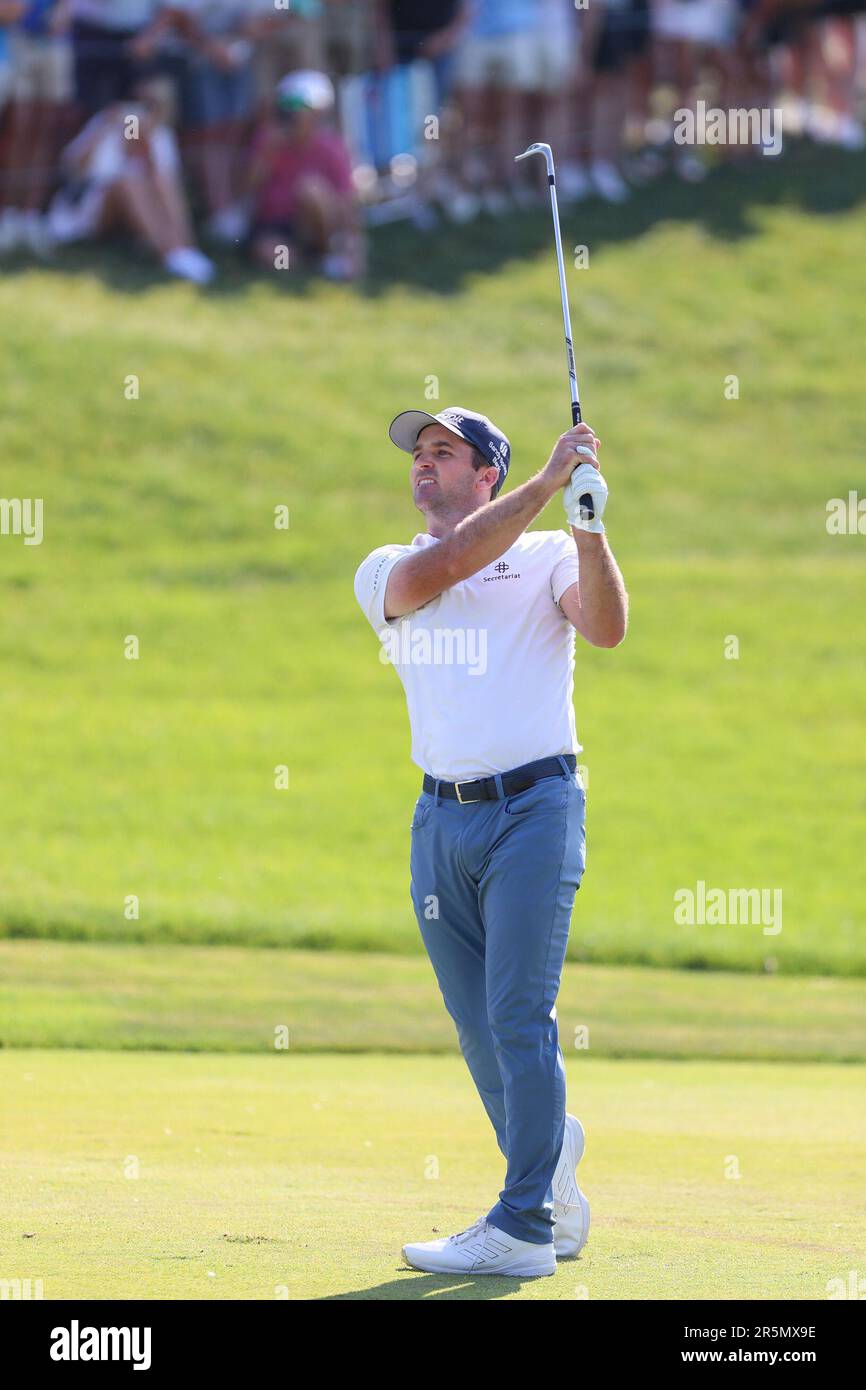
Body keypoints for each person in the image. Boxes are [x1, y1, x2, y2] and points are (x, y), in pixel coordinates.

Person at [353, 406, 628, 1275]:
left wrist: (586, 528)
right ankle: (547, 1166)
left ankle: (522, 1227)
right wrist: (550, 485)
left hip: (535, 810)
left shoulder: (545, 556)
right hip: (439, 818)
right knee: (477, 1029)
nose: (424, 465)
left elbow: (607, 626)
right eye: (419, 454)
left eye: (446, 452)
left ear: (487, 477)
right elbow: (443, 567)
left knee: (517, 1014)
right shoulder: (387, 568)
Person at [47, 73, 215, 281]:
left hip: (131, 211)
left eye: (151, 105)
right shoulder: (106, 123)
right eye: (141, 103)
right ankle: (171, 255)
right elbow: (73, 169)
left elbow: (159, 181)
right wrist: (104, 128)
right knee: (128, 183)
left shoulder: (160, 135)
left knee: (162, 181)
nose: (144, 111)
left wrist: (145, 147)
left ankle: (185, 248)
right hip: (86, 207)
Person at [247, 68, 364, 280]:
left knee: (310, 189)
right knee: (276, 259)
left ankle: (329, 254)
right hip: (277, 228)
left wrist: (353, 246)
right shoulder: (268, 140)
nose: (291, 116)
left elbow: (347, 201)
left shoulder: (332, 146)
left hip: (315, 228)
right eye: (287, 108)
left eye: (298, 109)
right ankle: (311, 265)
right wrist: (268, 152)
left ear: (317, 113)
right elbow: (249, 188)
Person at [1, 0, 73, 255]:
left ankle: (30, 215)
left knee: (45, 132)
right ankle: (8, 213)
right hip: (18, 41)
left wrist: (63, 11)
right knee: (19, 130)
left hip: (56, 43)